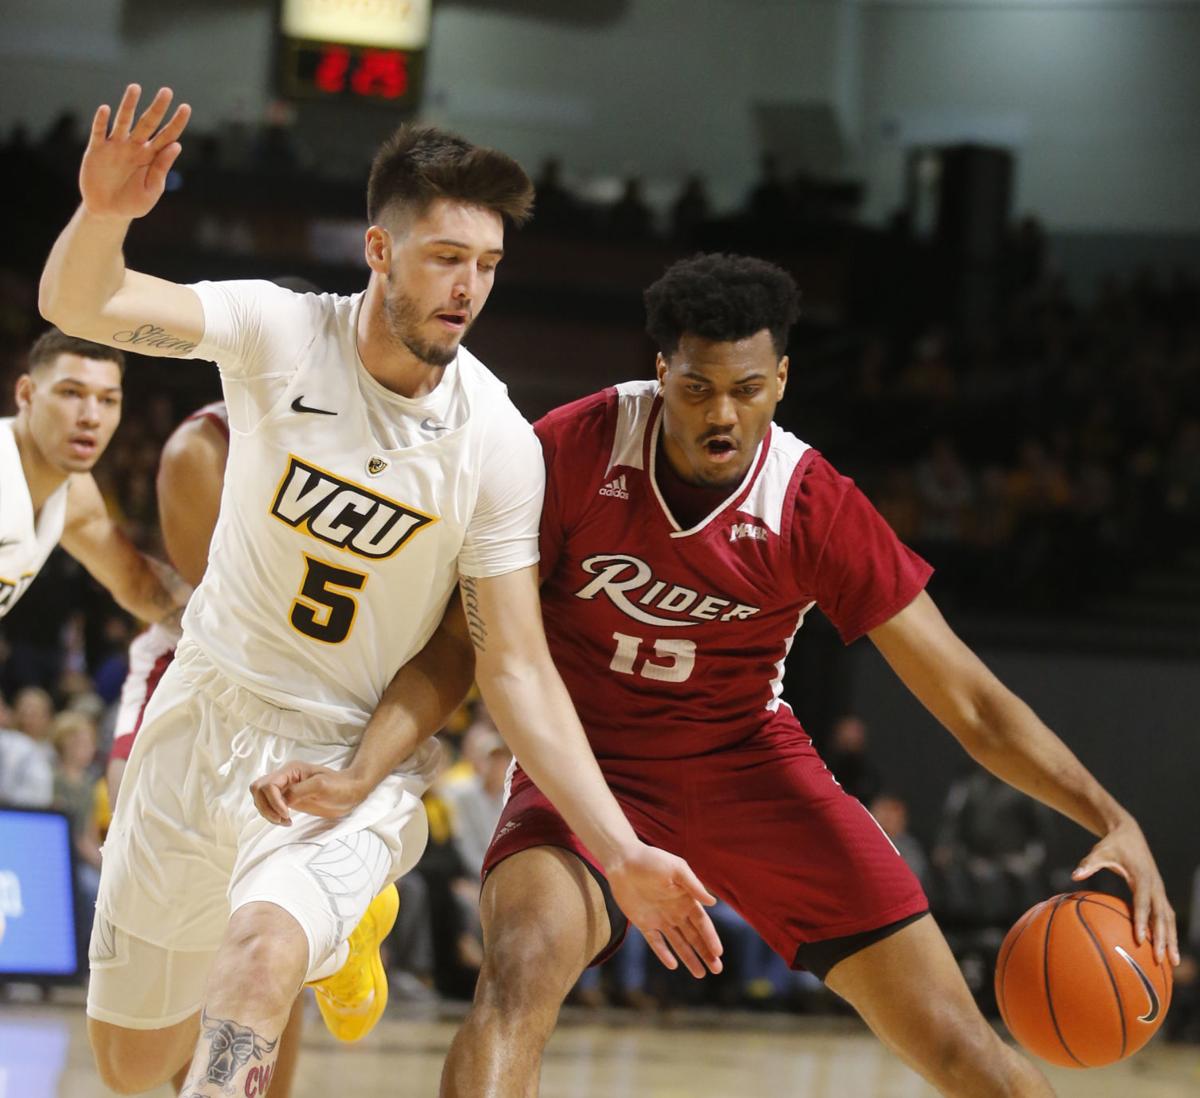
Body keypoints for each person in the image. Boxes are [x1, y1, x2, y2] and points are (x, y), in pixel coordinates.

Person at [40, 84, 719, 1098]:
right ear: (379, 251)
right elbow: (79, 304)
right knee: (133, 1065)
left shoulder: (495, 443)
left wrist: (618, 848)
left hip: (342, 758)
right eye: (448, 258)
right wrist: (104, 216)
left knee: (260, 960)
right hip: (203, 717)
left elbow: (515, 664)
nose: (468, 289)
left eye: (488, 266)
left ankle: (320, 930)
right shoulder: (279, 332)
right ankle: (345, 937)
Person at [423, 253, 1171, 1096]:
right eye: (698, 387)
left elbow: (970, 702)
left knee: (966, 1051)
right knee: (517, 977)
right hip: (586, 770)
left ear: (781, 380)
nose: (722, 415)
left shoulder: (811, 504)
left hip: (749, 774)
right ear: (661, 371)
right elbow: (474, 641)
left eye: (746, 389)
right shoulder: (573, 448)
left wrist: (1109, 815)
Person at [0, 327, 186, 626]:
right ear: (26, 394)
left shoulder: (74, 494)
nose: (91, 416)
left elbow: (138, 585)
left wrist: (230, 640)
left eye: (108, 400)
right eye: (71, 393)